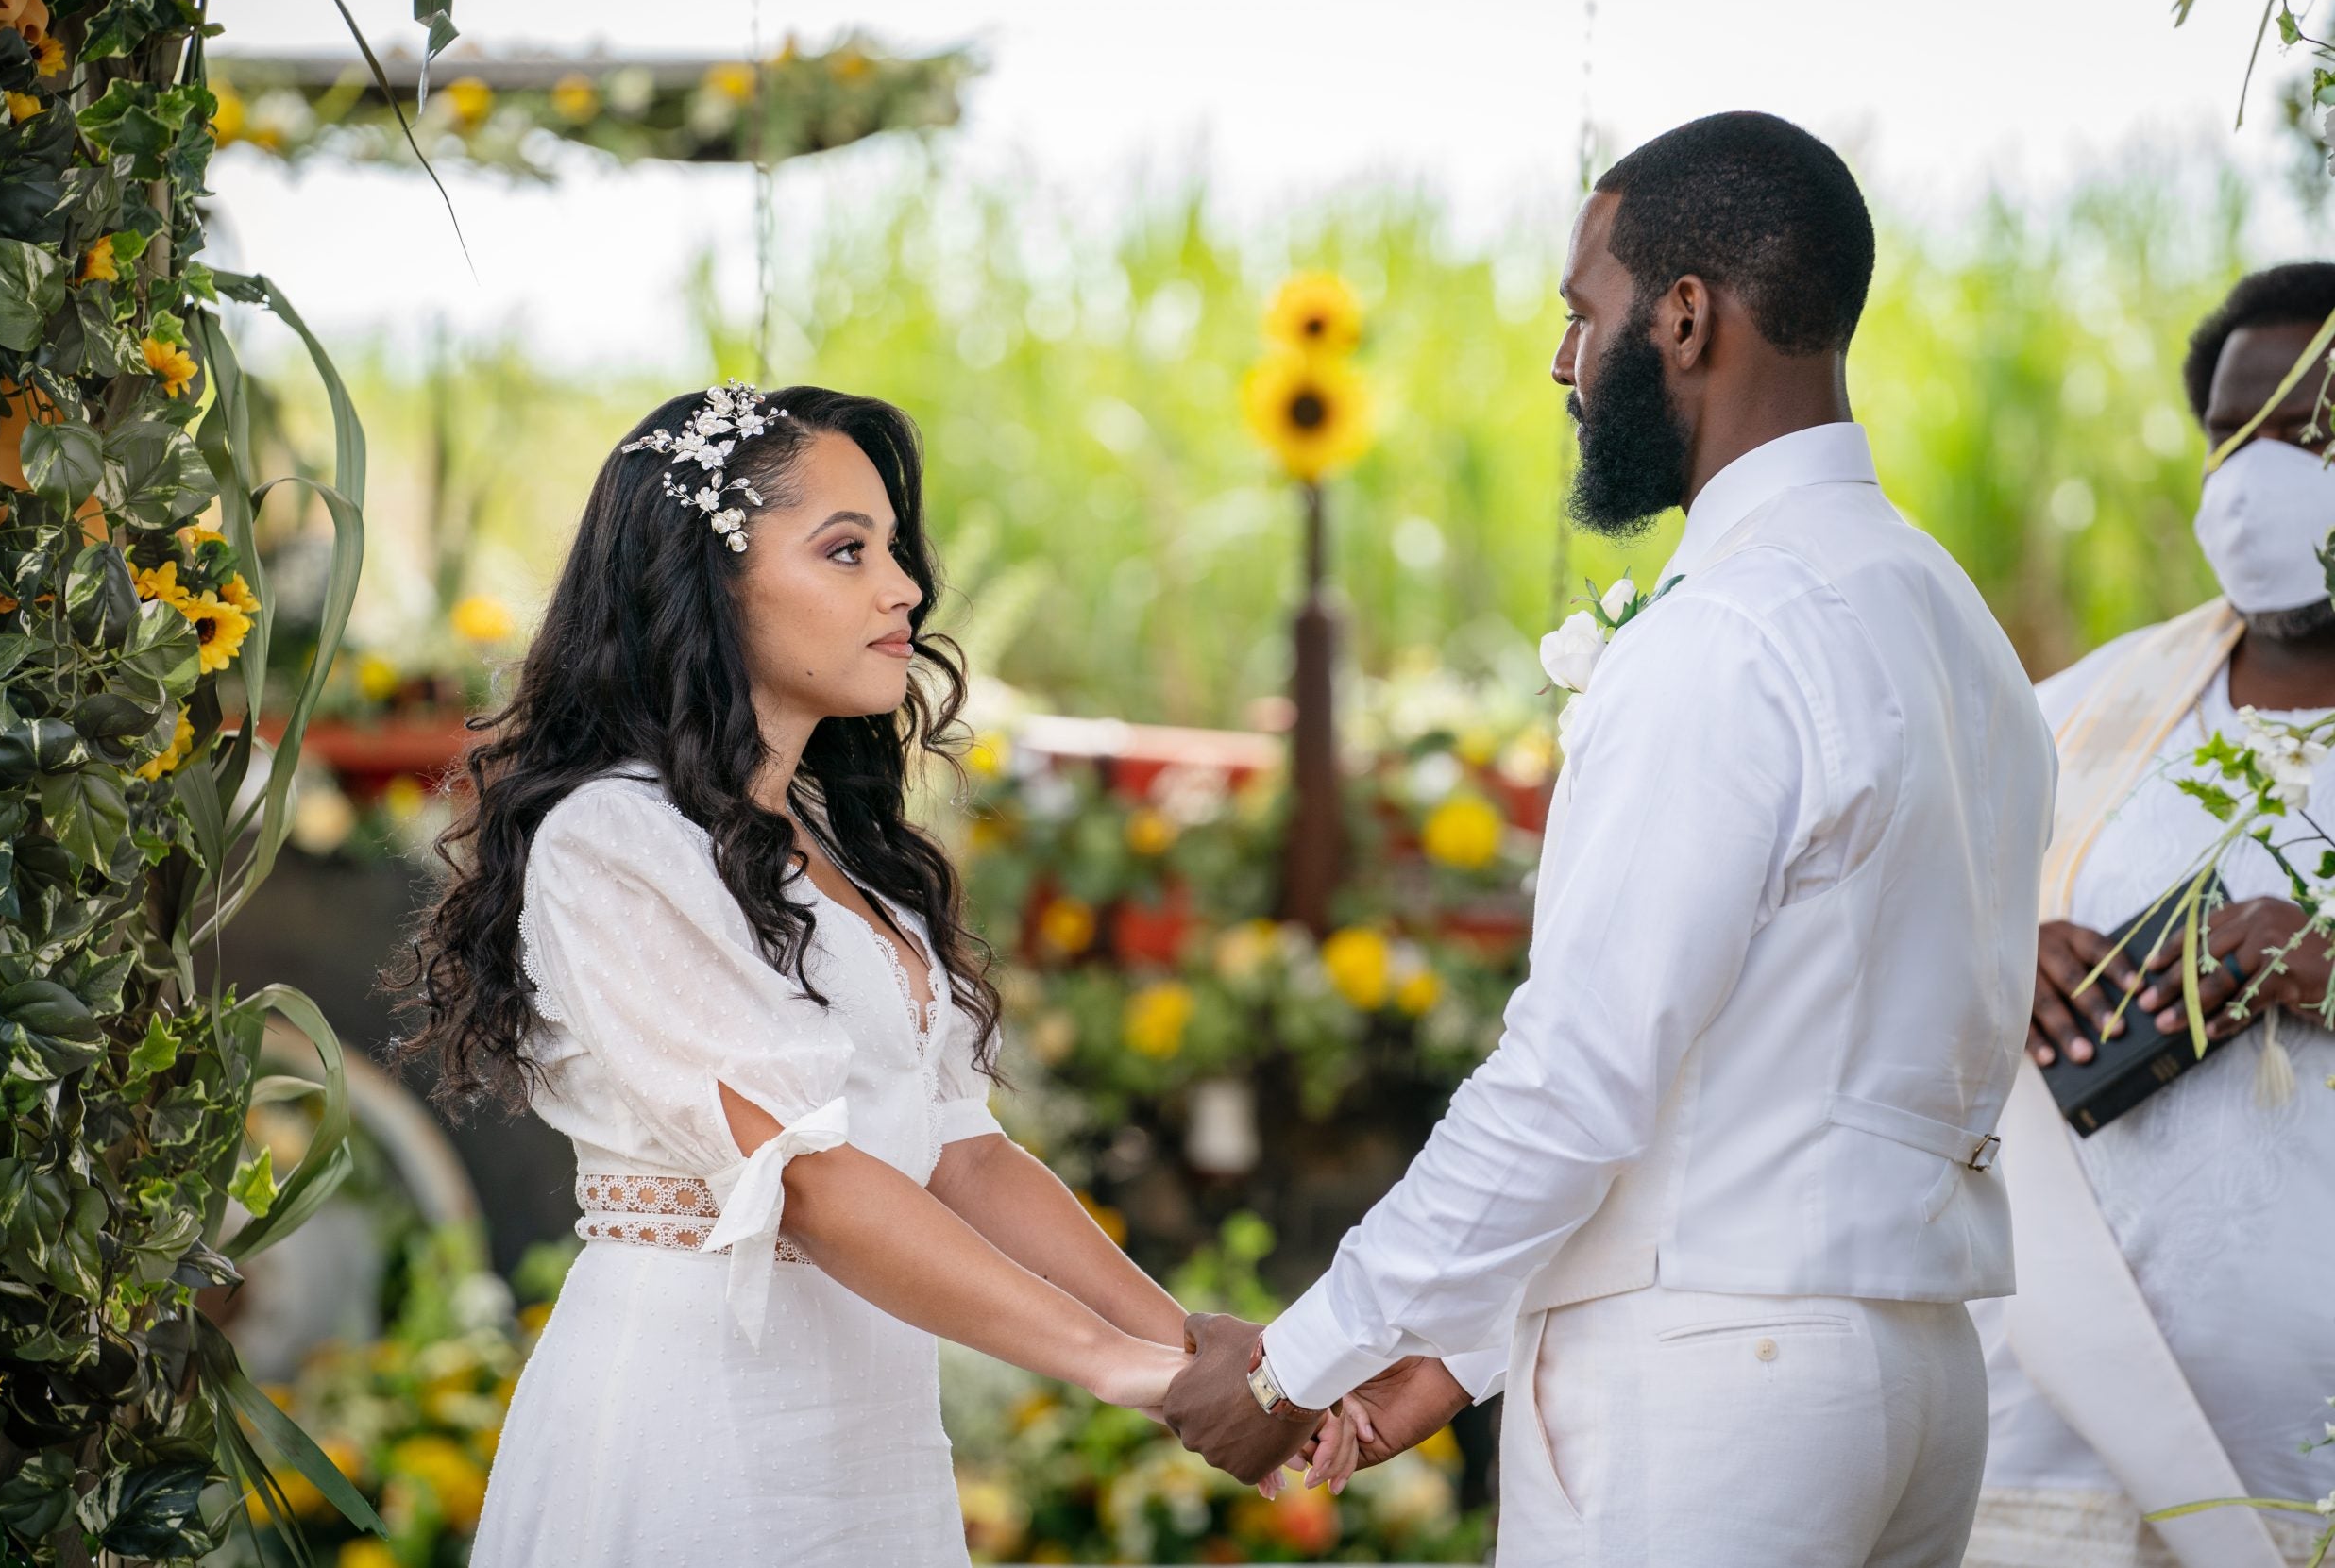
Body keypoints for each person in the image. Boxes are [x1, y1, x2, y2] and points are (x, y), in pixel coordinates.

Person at [1160, 110, 2056, 1567]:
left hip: (1720, 1386)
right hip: (1917, 1376)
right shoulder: (1957, 624)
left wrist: (1296, 1356)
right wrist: (1452, 1349)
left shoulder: (1733, 632)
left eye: (1586, 314)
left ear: (1686, 317)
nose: (1566, 365)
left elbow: (1578, 1077)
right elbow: (1767, 1068)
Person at [392, 384, 1187, 1566]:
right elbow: (803, 1174)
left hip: (861, 1433)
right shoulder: (615, 841)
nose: (906, 585)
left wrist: (1190, 1341)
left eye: (894, 548)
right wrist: (1114, 1367)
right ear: (709, 582)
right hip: (696, 1418)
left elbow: (962, 1153)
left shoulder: (848, 848)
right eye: (846, 549)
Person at [1965, 262, 2335, 1568]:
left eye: (2313, 429)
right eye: (2237, 433)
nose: (2261, 472)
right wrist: (1997, 965)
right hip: (2068, 1410)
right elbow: (1907, 941)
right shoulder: (2073, 711)